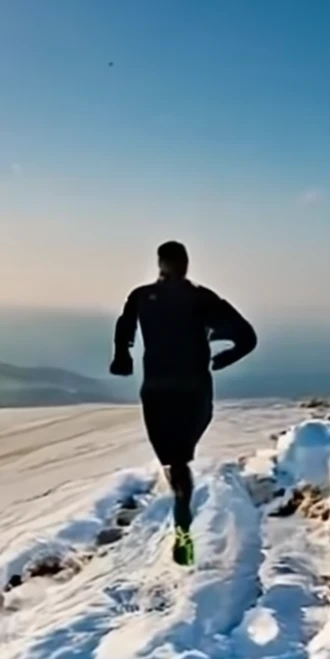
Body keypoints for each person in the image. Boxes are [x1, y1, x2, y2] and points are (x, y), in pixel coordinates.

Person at [110, 241, 257, 564]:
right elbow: (247, 336)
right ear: (185, 264)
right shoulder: (202, 298)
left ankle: (182, 517)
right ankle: (182, 519)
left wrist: (122, 358)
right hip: (193, 390)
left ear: (160, 263)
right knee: (180, 458)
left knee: (174, 463)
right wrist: (225, 355)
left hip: (157, 390)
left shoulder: (141, 296)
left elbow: (124, 327)